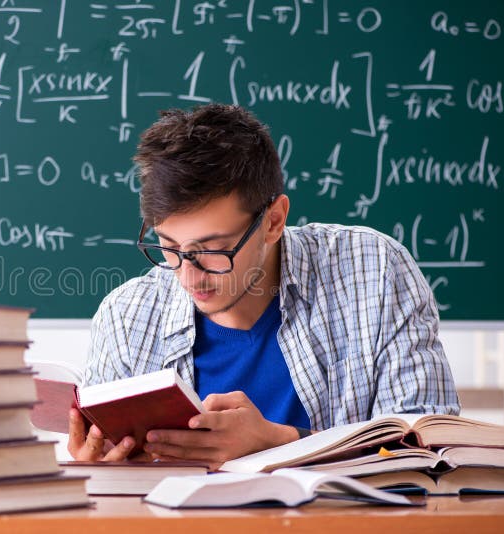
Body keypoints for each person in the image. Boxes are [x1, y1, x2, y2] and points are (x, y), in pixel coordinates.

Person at [67, 104, 459, 469]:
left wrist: (277, 441)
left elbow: (430, 451)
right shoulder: (127, 317)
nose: (187, 277)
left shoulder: (374, 271)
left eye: (214, 250)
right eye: (169, 248)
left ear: (273, 221)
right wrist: (100, 470)